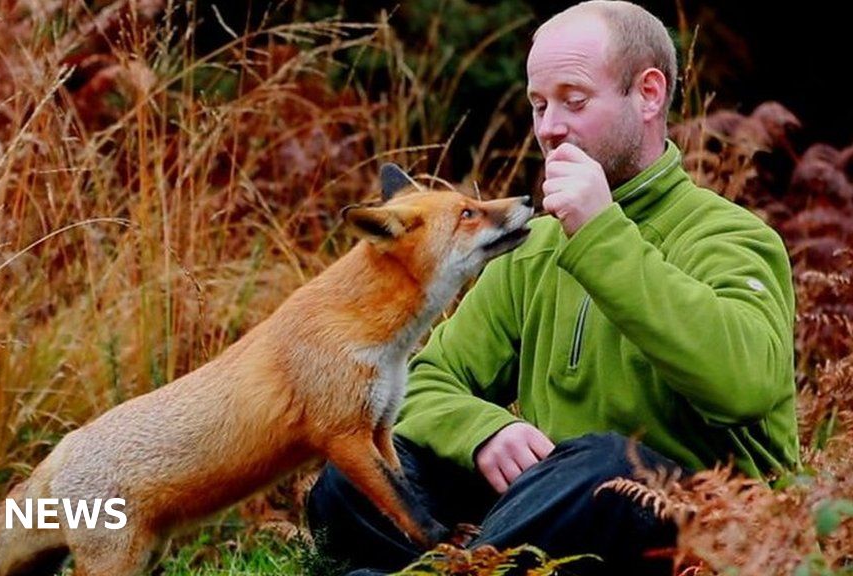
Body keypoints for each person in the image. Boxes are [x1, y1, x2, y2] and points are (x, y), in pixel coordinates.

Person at [306, 1, 799, 574]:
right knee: (355, 478)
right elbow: (424, 383)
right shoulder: (535, 247)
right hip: (556, 509)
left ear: (648, 94)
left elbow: (746, 385)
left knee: (609, 466)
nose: (548, 127)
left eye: (574, 100)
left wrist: (600, 234)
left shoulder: (732, 237)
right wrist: (487, 430)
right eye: (539, 104)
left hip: (694, 525)